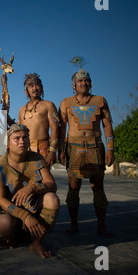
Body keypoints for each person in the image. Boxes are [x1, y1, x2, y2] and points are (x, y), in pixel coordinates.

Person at [58, 68, 115, 237]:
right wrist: (61, 149)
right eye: (80, 81)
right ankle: (73, 224)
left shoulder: (100, 100)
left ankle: (101, 225)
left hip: (95, 146)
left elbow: (107, 124)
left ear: (91, 83)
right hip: (73, 148)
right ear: (73, 85)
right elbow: (62, 129)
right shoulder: (66, 102)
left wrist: (110, 148)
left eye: (86, 80)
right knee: (73, 187)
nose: (84, 83)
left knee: (97, 187)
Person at [0, 124, 60, 259]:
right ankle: (10, 235)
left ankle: (36, 242)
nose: (22, 141)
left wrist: (31, 187)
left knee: (52, 199)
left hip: (33, 205)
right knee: (4, 224)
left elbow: (51, 185)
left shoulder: (37, 158)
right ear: (8, 143)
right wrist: (24, 216)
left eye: (25, 138)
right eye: (16, 138)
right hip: (9, 210)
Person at [18, 73, 60, 168]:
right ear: (26, 91)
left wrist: (52, 151)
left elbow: (55, 129)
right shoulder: (21, 109)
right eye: (31, 86)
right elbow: (18, 131)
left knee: (43, 179)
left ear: (42, 89)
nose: (35, 88)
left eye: (37, 85)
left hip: (42, 148)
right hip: (24, 147)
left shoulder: (48, 105)